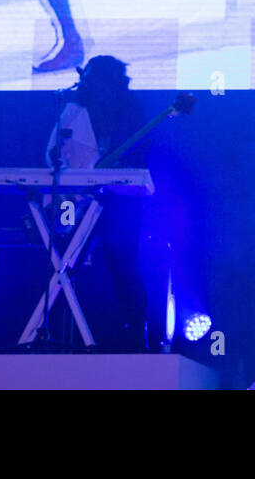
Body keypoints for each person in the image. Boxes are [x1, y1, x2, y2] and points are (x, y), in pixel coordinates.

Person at [43, 55, 153, 349]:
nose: (87, 83)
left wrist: (112, 168)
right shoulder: (74, 108)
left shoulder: (131, 109)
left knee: (123, 264)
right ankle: (53, 334)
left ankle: (134, 338)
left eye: (93, 78)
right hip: (74, 200)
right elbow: (55, 151)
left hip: (119, 203)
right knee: (63, 263)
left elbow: (139, 155)